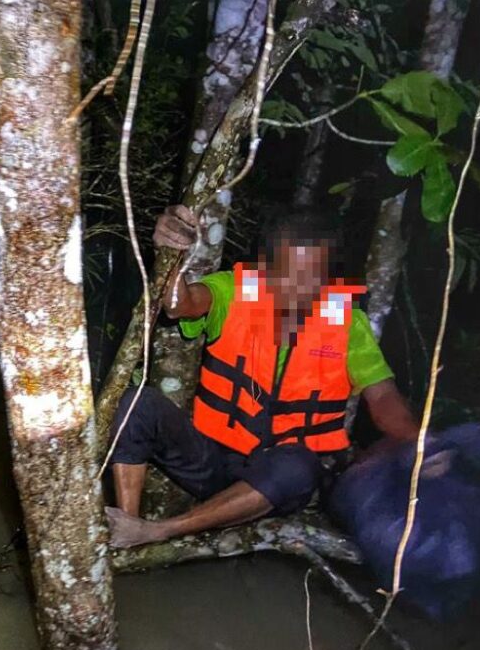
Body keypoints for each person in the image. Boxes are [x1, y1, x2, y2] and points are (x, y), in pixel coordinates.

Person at [106, 205, 420, 549]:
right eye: (287, 274)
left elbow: (383, 397)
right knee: (137, 403)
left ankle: (159, 530)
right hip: (212, 458)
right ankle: (127, 526)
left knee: (299, 466)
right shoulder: (237, 291)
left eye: (313, 276)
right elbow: (181, 304)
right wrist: (171, 254)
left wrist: (421, 444)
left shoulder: (346, 323)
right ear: (266, 268)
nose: (299, 290)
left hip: (275, 481)